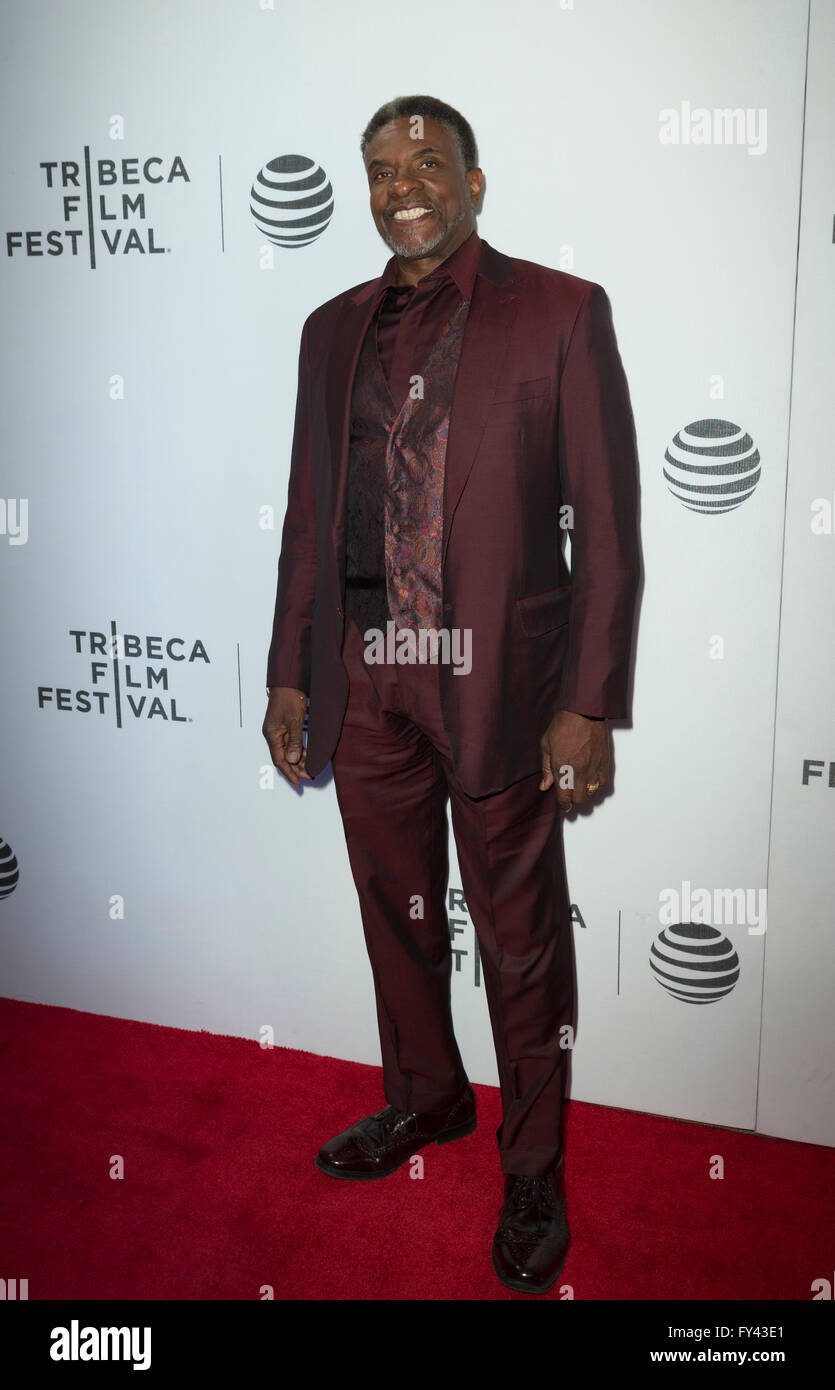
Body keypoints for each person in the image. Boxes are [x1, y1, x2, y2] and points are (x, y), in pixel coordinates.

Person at [262, 94, 640, 1295]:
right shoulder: (328, 332)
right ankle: (426, 1103)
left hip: (501, 691)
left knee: (522, 944)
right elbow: (307, 521)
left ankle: (533, 1167)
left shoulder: (562, 315)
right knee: (398, 915)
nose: (402, 184)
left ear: (475, 182)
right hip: (367, 686)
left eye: (428, 161)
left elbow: (610, 534)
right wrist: (288, 666)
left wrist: (586, 699)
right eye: (380, 169)